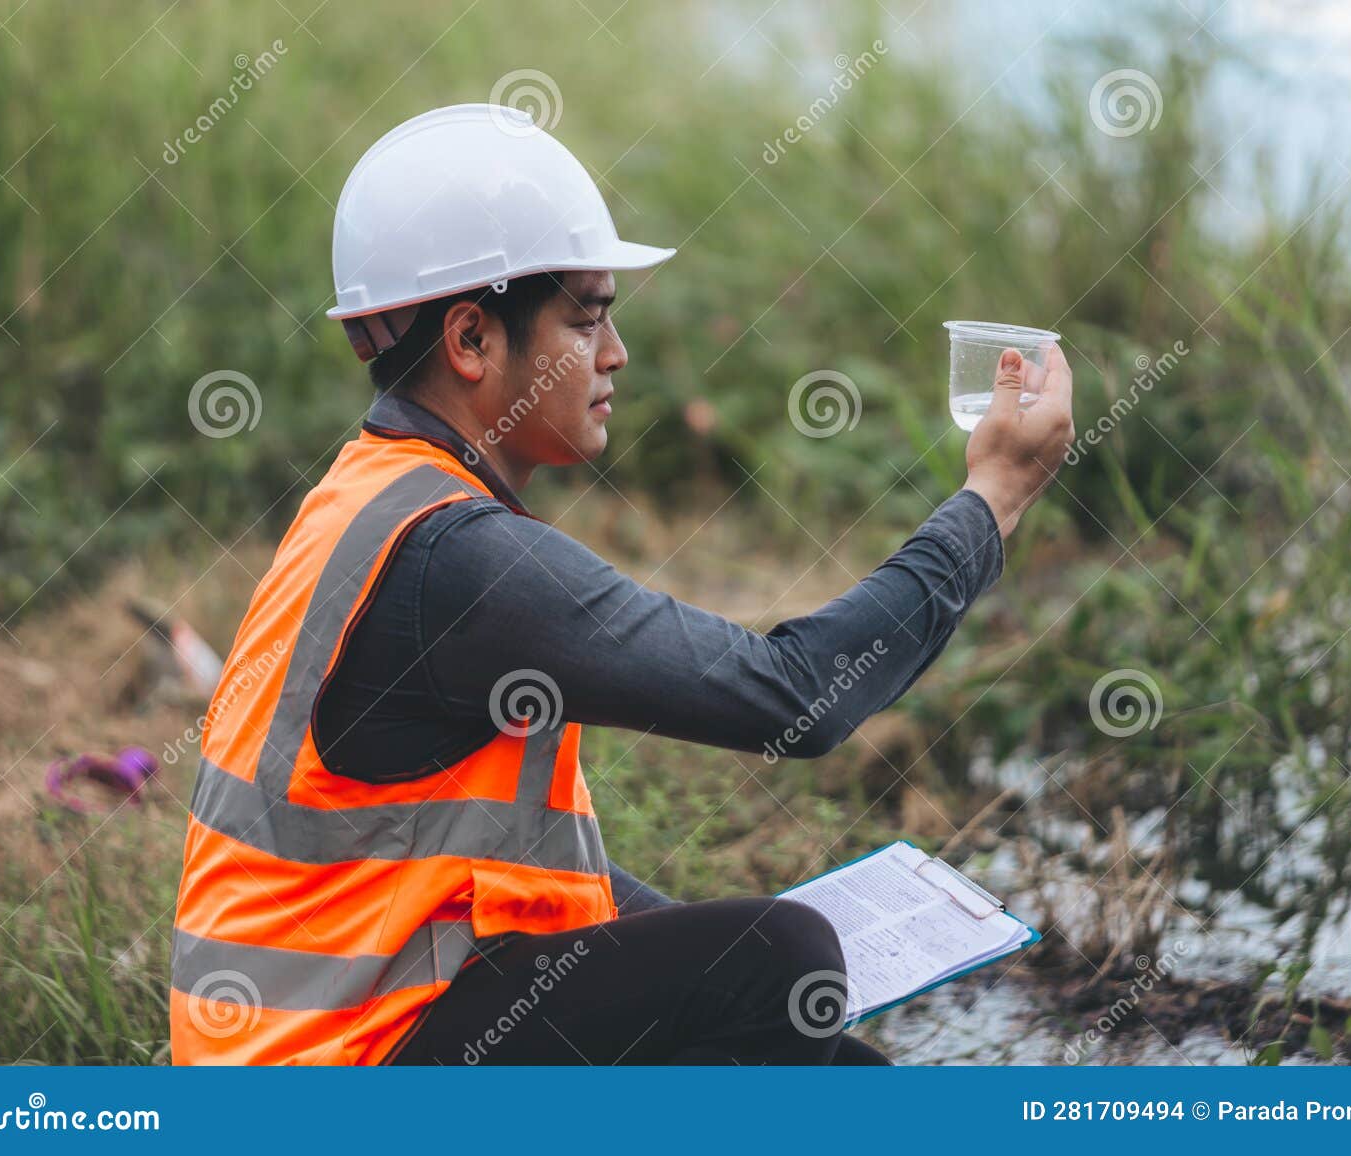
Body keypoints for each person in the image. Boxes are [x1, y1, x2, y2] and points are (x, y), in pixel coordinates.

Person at [169, 103, 1073, 1066]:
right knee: (784, 956)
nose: (615, 355)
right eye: (585, 317)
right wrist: (993, 499)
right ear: (472, 340)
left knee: (792, 1031)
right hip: (335, 1073)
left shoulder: (373, 493)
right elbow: (793, 697)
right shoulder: (458, 559)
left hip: (345, 1022)